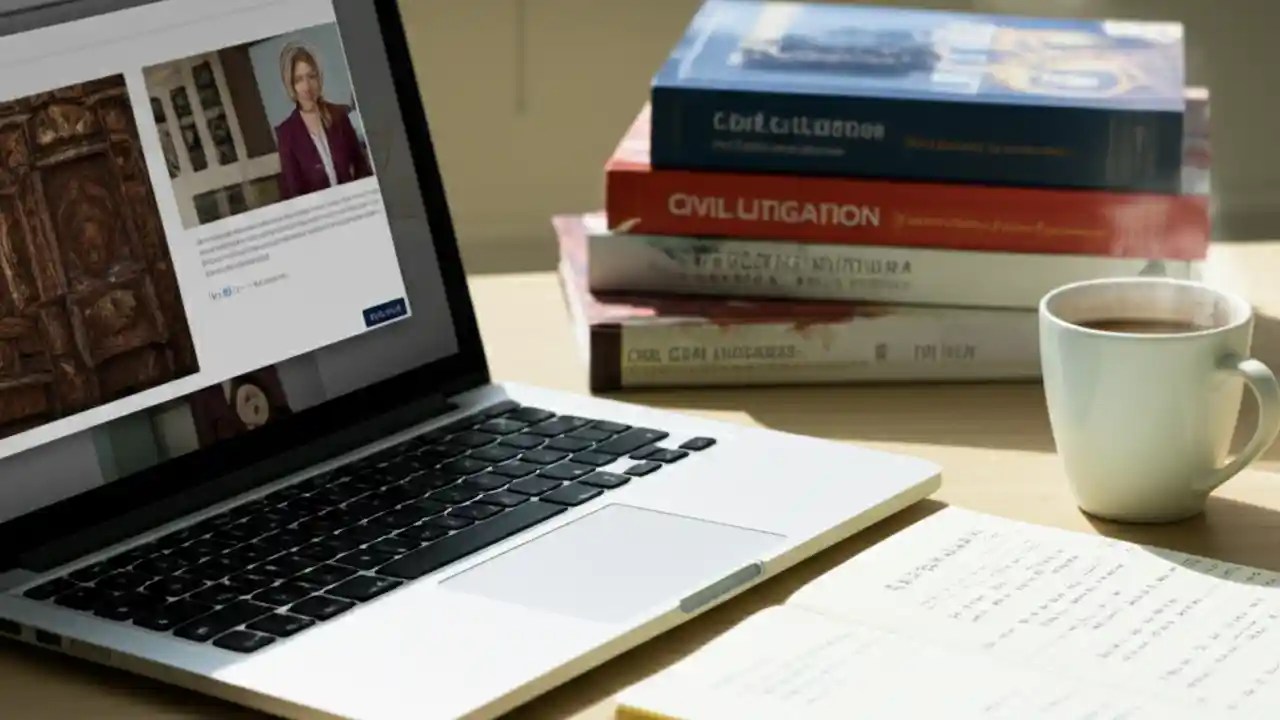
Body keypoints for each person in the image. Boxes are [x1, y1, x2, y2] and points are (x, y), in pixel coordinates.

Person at [274, 43, 372, 200]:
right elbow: (293, 193)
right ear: (291, 85)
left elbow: (361, 167)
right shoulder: (286, 133)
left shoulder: (338, 116)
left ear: (319, 78)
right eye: (298, 80)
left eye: (311, 76)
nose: (307, 87)